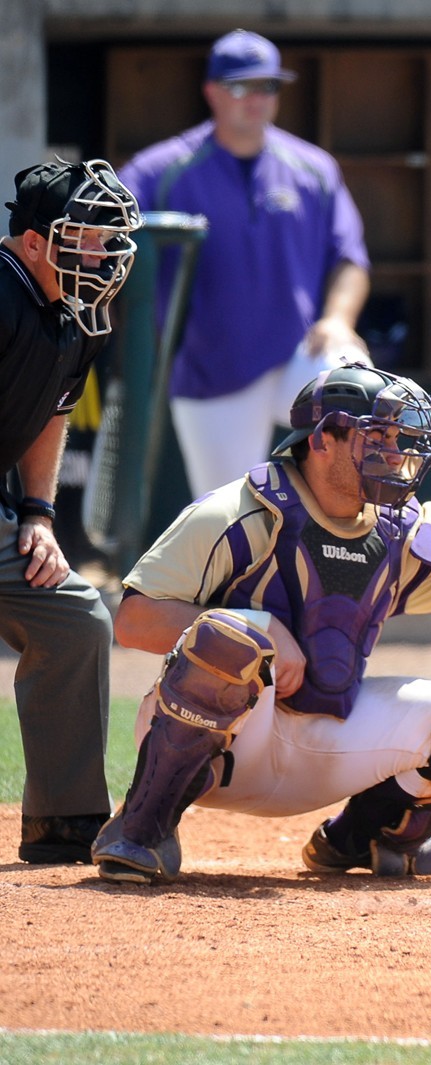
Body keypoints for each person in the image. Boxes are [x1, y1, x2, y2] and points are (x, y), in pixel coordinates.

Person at [90, 364, 431, 884]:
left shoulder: (400, 528)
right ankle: (142, 828)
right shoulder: (237, 513)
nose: (397, 454)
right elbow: (135, 619)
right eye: (379, 437)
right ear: (324, 440)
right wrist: (268, 633)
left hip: (322, 744)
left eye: (402, 440)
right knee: (234, 635)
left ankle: (364, 838)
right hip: (218, 747)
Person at [117, 28, 372, 498]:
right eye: (241, 87)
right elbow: (103, 225)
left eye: (267, 87)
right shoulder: (164, 169)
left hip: (298, 354)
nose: (255, 99)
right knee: (227, 521)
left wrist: (338, 319)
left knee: (359, 389)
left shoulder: (312, 167)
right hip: (212, 367)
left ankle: (352, 550)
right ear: (211, 92)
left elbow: (350, 257)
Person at [1, 158, 141, 863]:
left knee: (78, 618)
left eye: (105, 237)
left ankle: (65, 818)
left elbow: (51, 417)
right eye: (83, 237)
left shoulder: (79, 318)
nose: (102, 252)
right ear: (31, 242)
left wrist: (37, 513)